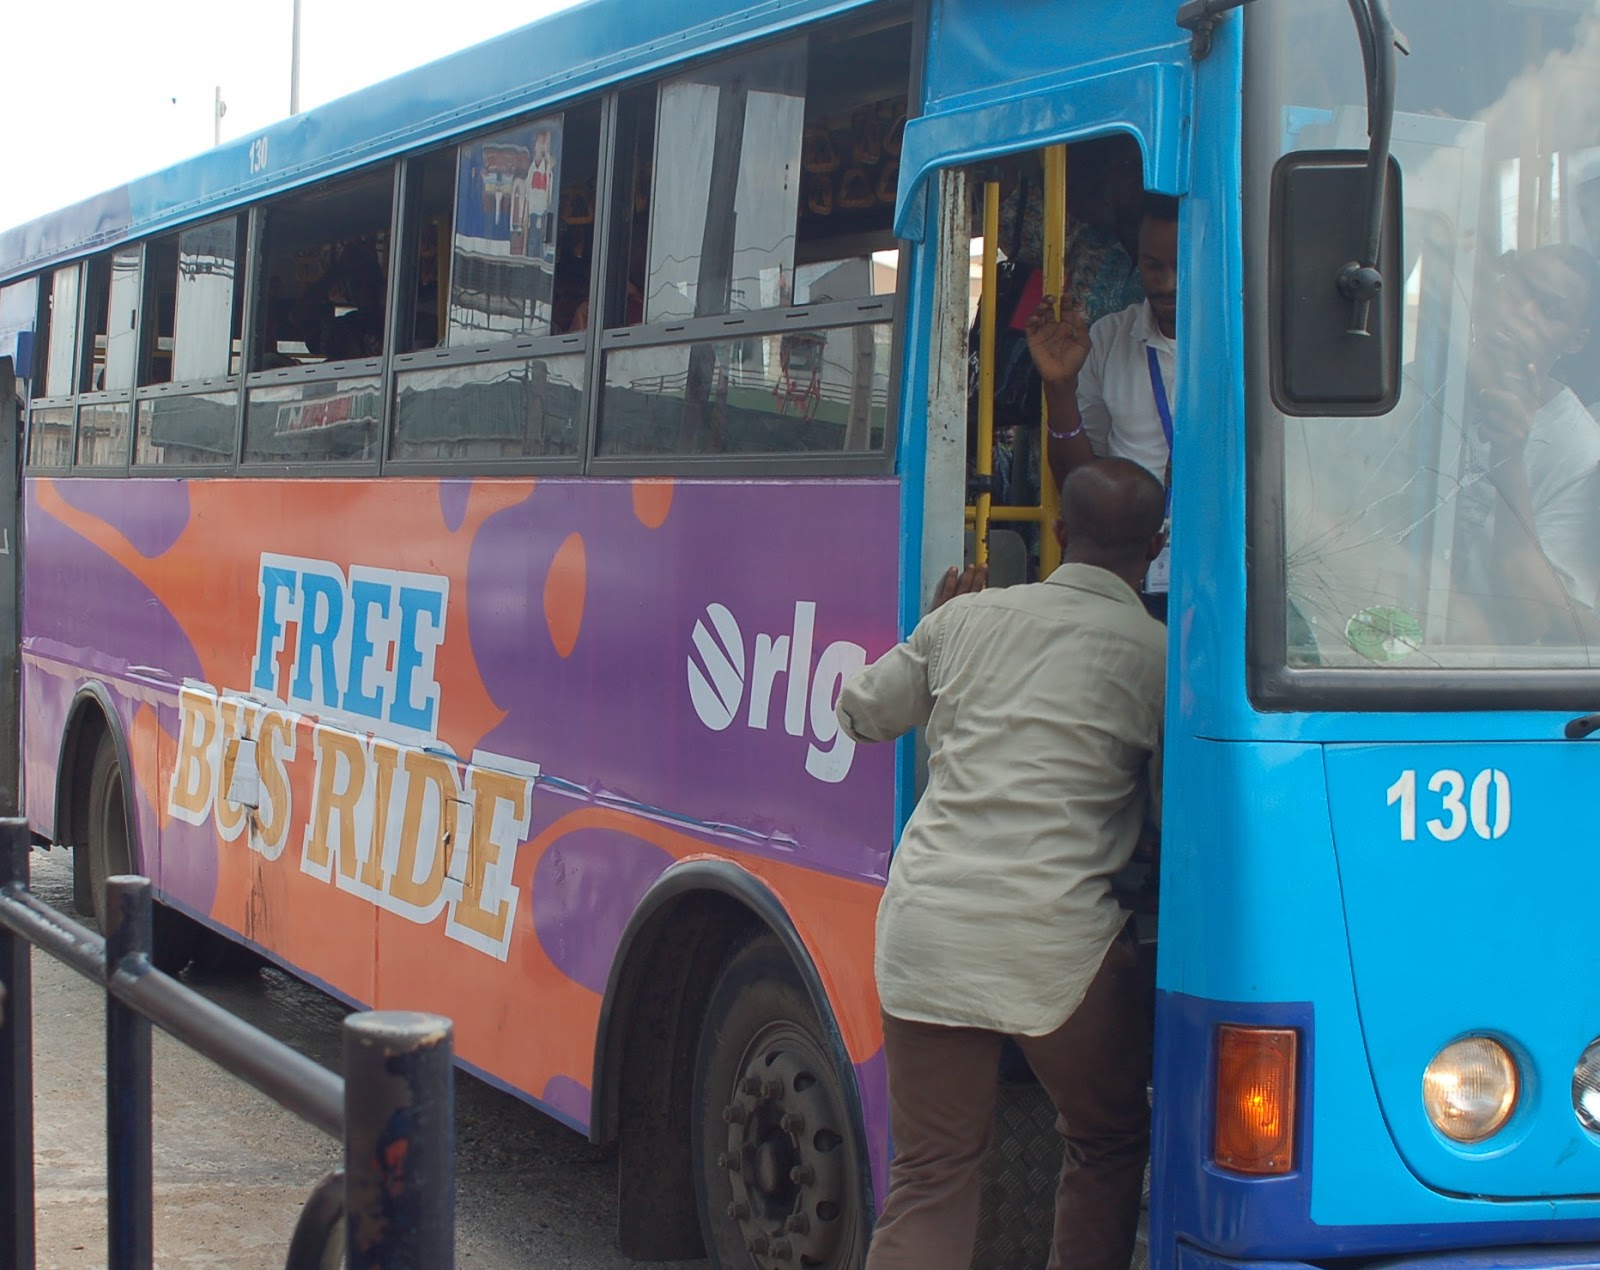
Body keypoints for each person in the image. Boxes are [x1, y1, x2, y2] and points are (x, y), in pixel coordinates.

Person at [837, 458, 1168, 1270]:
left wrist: (934, 631)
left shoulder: (966, 620)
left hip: (930, 930)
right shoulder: (1164, 657)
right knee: (1108, 1139)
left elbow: (861, 711)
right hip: (1057, 944)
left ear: (1059, 531)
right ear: (1158, 547)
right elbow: (1164, 820)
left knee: (931, 1175)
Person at [1454, 243, 1600, 643]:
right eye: (1519, 293)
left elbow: (1532, 619)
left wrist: (1509, 457)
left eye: (1550, 311)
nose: (1523, 316)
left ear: (1575, 340)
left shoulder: (1580, 453)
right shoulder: (1419, 383)